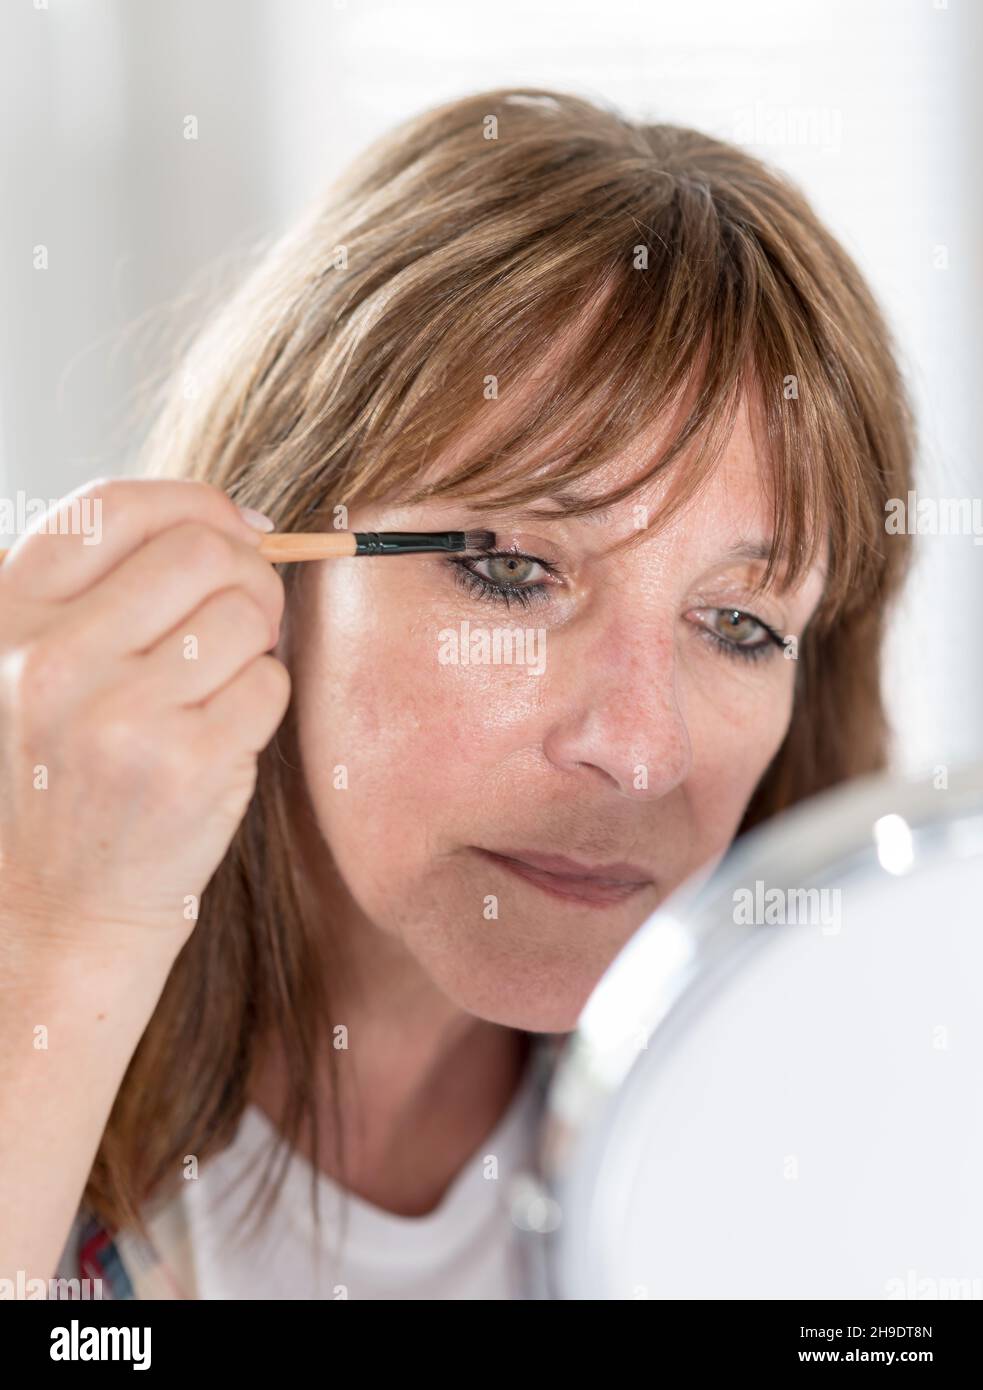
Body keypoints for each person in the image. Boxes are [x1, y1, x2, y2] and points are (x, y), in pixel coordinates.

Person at [0, 86, 915, 1300]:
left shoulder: (838, 1151)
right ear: (262, 559)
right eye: (510, 570)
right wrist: (58, 945)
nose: (637, 751)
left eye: (739, 624)